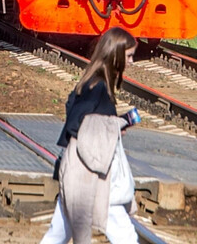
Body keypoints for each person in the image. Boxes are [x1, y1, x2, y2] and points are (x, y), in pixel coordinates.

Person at [40, 27, 140, 244]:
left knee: (59, 232)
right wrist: (114, 125)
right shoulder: (98, 87)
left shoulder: (93, 82)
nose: (132, 61)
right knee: (126, 236)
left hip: (79, 168)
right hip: (91, 174)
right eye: (129, 56)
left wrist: (109, 127)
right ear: (116, 54)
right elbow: (77, 122)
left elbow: (76, 112)